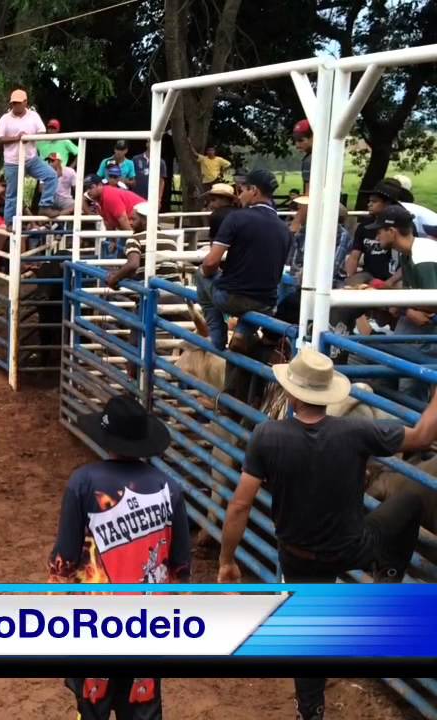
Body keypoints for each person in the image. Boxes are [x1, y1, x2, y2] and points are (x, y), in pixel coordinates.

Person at [218, 348, 437, 720]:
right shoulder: (356, 431)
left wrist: (227, 560)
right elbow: (421, 436)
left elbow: (239, 505)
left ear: (292, 394)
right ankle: (387, 577)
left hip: (297, 553)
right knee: (409, 504)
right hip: (353, 547)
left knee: (308, 637)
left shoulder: (266, 436)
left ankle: (311, 710)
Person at [50, 394, 189, 720]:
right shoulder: (170, 489)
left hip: (96, 624)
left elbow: (65, 559)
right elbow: (180, 564)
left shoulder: (83, 484)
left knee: (93, 710)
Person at [194, 168, 289, 352]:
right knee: (254, 305)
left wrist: (208, 274)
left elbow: (210, 263)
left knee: (200, 274)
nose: (240, 195)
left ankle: (217, 336)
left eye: (242, 190)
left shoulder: (236, 218)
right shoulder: (284, 228)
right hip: (266, 302)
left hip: (231, 297)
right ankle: (242, 333)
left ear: (254, 190)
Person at [370, 206, 437, 400]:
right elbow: (415, 297)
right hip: (422, 325)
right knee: (394, 370)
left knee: (410, 382)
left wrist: (401, 305)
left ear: (392, 231)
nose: (377, 235)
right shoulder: (410, 252)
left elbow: (432, 301)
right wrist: (406, 309)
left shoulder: (423, 256)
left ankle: (412, 426)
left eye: (380, 230)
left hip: (430, 327)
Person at [0, 87, 59, 223]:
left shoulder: (33, 116)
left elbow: (42, 133)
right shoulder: (5, 119)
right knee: (12, 193)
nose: (15, 105)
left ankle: (45, 206)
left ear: (25, 102)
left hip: (31, 158)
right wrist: (17, 138)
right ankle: (10, 223)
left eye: (18, 102)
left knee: (51, 175)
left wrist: (30, 137)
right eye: (13, 103)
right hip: (13, 161)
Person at [81, 174, 142, 257]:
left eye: (91, 187)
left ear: (100, 185)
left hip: (142, 223)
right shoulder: (99, 201)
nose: (88, 191)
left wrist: (133, 240)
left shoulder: (109, 195)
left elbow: (123, 219)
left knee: (130, 257)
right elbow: (108, 222)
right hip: (132, 227)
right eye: (86, 188)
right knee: (122, 256)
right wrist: (113, 241)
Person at [293, 119, 313, 193]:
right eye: (295, 141)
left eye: (301, 140)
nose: (297, 145)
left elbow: (308, 193)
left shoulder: (309, 160)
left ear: (313, 137)